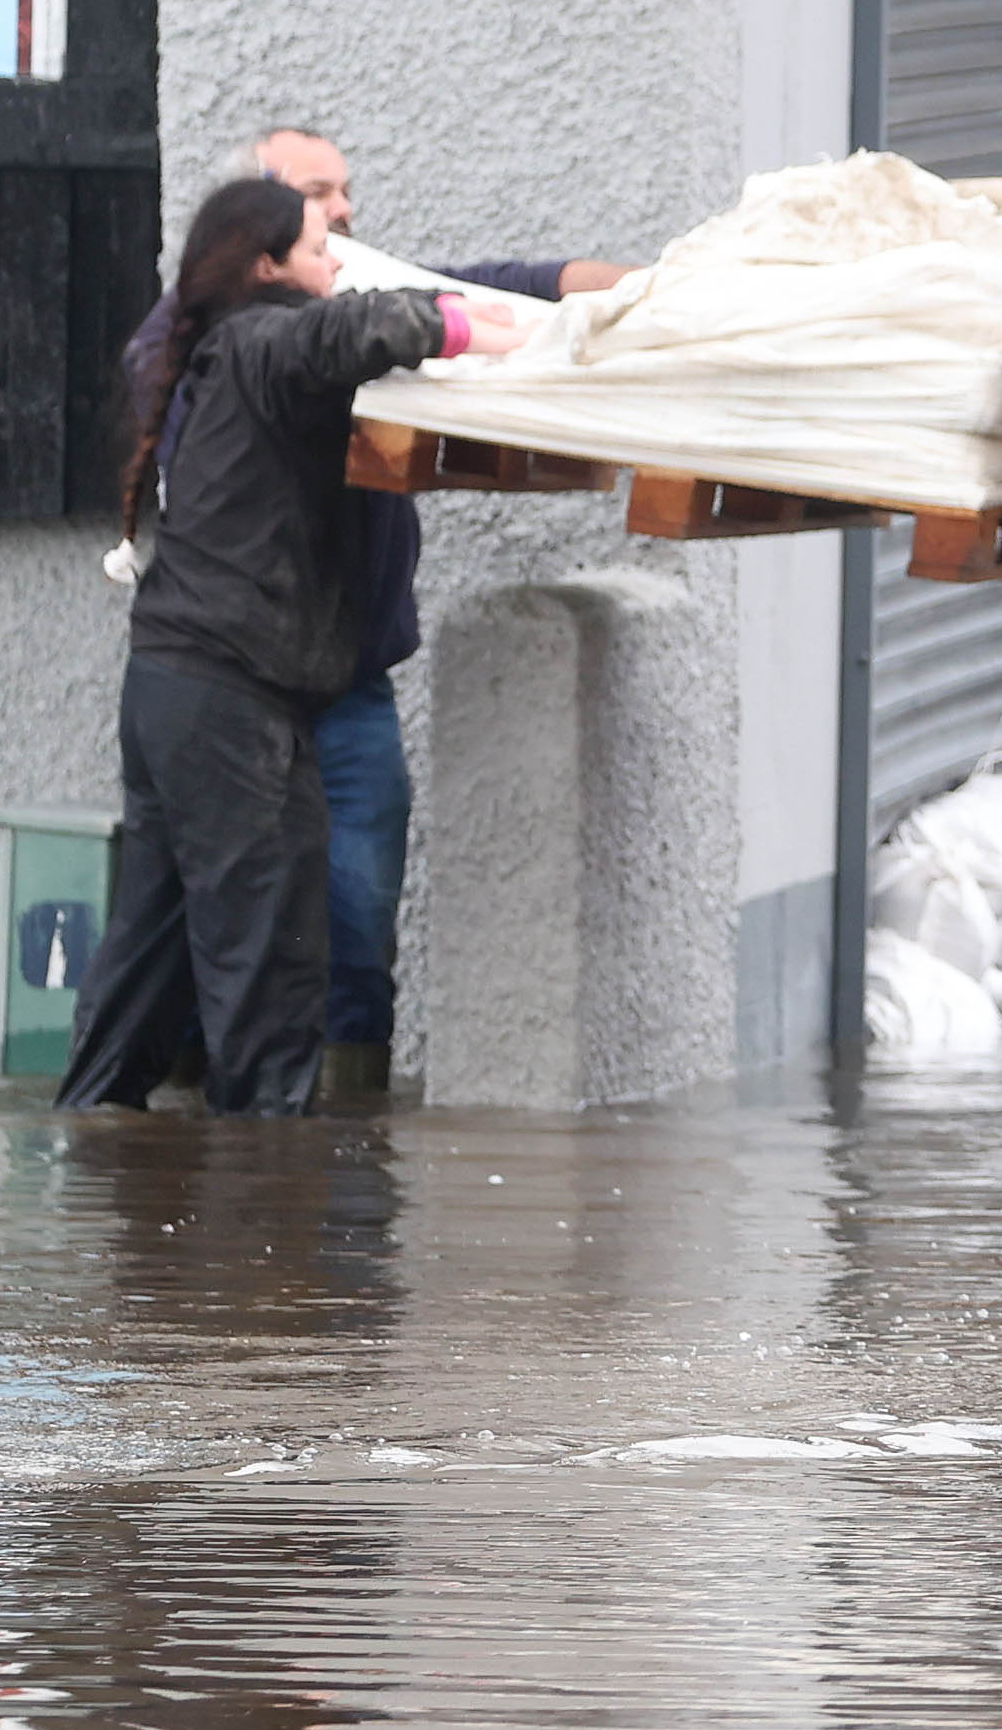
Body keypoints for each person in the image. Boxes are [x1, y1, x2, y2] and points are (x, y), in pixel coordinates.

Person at [56, 173, 510, 1116]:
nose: (334, 260)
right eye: (315, 250)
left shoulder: (224, 353)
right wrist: (474, 327)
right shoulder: (269, 339)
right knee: (272, 970)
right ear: (267, 268)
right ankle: (268, 1222)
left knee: (154, 950)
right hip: (232, 704)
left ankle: (88, 1157)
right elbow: (355, 330)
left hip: (174, 689)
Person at [242, 126, 601, 1101]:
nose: (347, 208)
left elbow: (490, 286)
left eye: (348, 188)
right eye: (321, 193)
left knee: (359, 922)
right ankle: (243, 1148)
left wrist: (632, 291)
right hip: (242, 691)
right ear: (263, 224)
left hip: (354, 687)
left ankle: (349, 1152)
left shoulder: (376, 302)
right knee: (240, 925)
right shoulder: (231, 343)